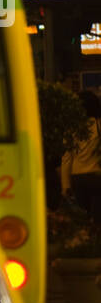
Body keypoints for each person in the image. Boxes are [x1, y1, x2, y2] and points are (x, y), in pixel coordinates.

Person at [61, 91, 101, 224]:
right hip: (96, 177)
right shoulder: (99, 125)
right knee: (97, 218)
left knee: (82, 218)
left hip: (77, 177)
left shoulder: (72, 128)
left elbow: (66, 158)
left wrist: (65, 185)